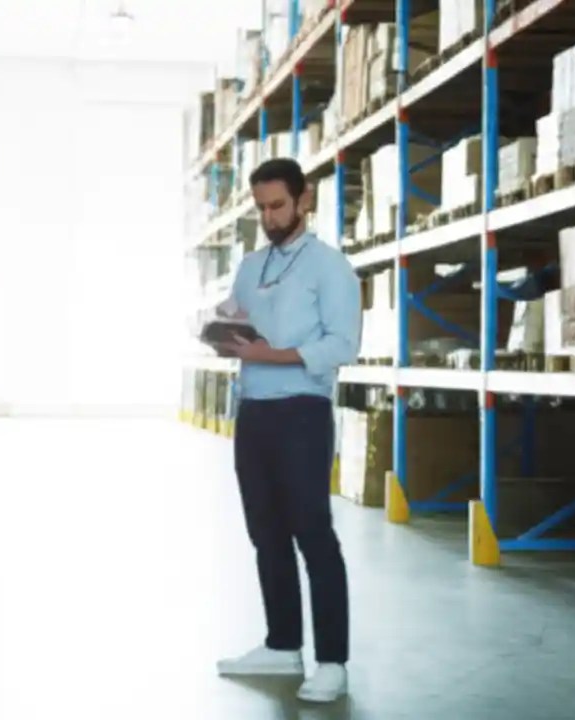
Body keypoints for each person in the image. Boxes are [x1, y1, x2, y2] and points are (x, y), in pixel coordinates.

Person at [214, 158, 361, 704]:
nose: (270, 217)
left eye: (278, 206)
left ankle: (332, 661)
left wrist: (270, 354)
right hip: (253, 412)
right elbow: (239, 317)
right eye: (261, 209)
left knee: (312, 534)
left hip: (302, 411)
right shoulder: (252, 266)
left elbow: (343, 345)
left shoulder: (330, 267)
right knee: (265, 533)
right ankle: (282, 646)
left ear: (304, 200)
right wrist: (219, 326)